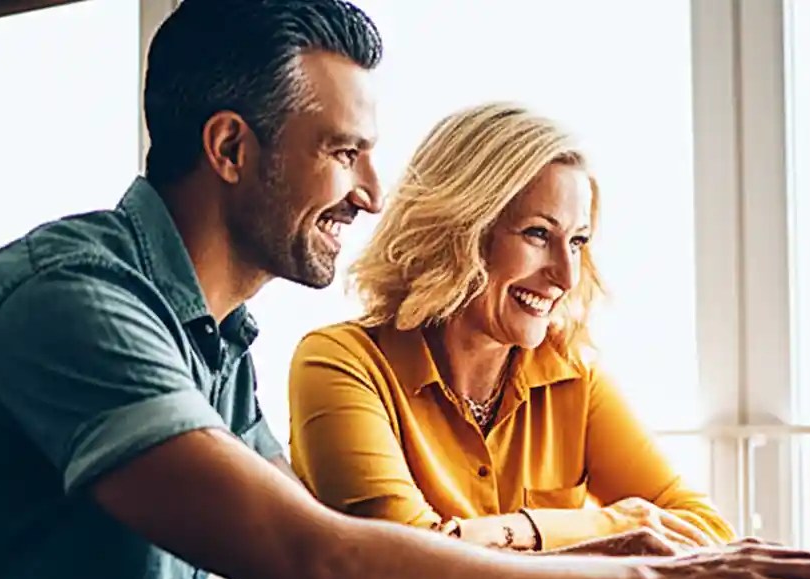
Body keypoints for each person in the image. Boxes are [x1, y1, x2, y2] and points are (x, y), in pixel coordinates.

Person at [0, 1, 810, 579]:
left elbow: (361, 551)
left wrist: (610, 544)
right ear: (232, 148)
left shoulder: (210, 346)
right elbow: (327, 571)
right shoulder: (78, 306)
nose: (372, 194)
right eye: (344, 152)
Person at [286, 102, 735, 554]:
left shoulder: (574, 379)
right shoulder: (340, 363)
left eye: (577, 242)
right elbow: (406, 562)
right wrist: (618, 527)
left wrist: (520, 532)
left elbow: (706, 532)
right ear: (458, 232)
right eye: (538, 234)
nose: (566, 275)